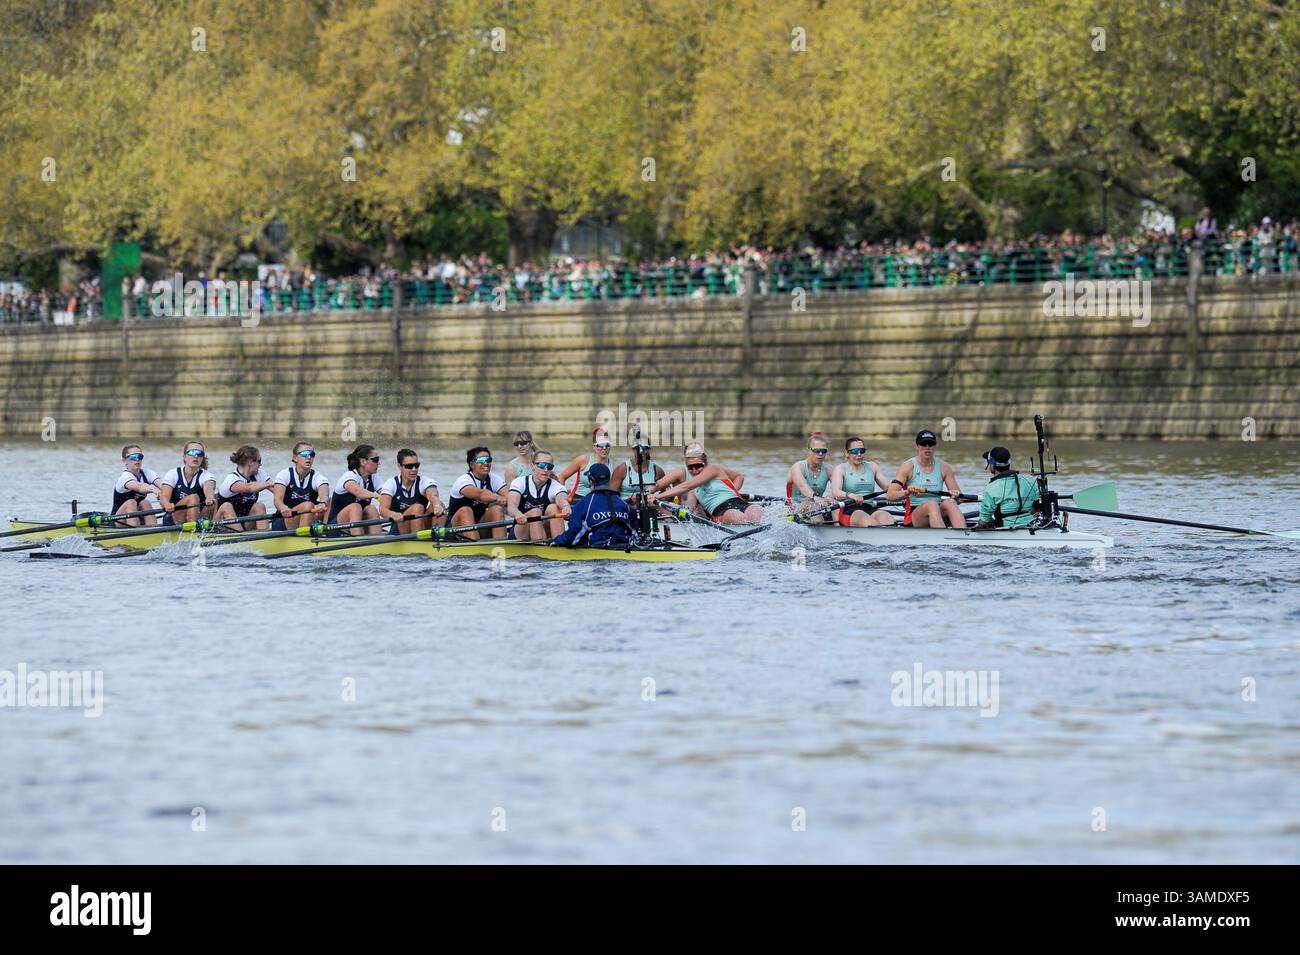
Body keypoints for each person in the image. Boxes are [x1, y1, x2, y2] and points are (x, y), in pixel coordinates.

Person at [648, 442, 764, 524]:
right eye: (690, 467)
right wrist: (683, 510)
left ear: (705, 463)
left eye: (698, 466)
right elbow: (690, 504)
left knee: (756, 512)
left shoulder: (714, 469)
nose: (695, 470)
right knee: (737, 517)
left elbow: (686, 485)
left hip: (740, 502)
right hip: (721, 512)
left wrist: (657, 496)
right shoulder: (693, 492)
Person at [886, 429, 966, 528]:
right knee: (931, 504)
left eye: (930, 444)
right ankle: (942, 539)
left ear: (935, 446)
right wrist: (907, 492)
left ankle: (964, 537)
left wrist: (956, 496)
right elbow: (890, 495)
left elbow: (960, 499)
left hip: (937, 510)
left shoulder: (944, 467)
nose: (927, 448)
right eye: (924, 444)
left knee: (950, 502)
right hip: (914, 516)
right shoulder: (908, 466)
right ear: (917, 446)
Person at [551, 463, 633, 547]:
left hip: (598, 548)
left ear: (590, 481)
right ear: (609, 480)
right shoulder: (623, 503)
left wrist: (557, 541)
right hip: (623, 545)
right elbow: (634, 529)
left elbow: (574, 532)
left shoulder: (584, 503)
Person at [445, 446, 509, 539]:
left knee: (497, 509)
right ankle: (475, 550)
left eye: (488, 459)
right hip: (455, 530)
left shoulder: (494, 479)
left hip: (479, 526)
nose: (486, 463)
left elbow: (509, 496)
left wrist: (511, 501)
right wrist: (497, 497)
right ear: (472, 464)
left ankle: (502, 546)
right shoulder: (463, 480)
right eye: (481, 460)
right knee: (466, 511)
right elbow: (480, 494)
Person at [830, 436, 896, 526]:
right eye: (855, 451)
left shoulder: (873, 466)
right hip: (850, 509)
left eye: (862, 450)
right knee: (870, 523)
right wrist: (851, 495)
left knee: (887, 519)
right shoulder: (841, 469)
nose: (859, 454)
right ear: (846, 453)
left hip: (870, 507)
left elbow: (887, 487)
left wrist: (902, 489)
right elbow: (835, 492)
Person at [507, 450, 570, 540]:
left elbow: (561, 498)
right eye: (541, 465)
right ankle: (540, 544)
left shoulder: (555, 485)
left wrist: (565, 507)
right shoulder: (519, 482)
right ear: (532, 466)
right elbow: (511, 506)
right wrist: (517, 514)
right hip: (521, 531)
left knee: (554, 508)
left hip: (542, 529)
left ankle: (559, 543)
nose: (545, 470)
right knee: (535, 512)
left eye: (549, 467)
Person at [377, 448, 444, 534]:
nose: (414, 469)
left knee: (439, 504)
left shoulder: (424, 481)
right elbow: (382, 509)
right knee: (417, 508)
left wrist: (437, 504)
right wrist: (392, 514)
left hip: (420, 523)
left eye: (416, 465)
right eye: (409, 466)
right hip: (399, 528)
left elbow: (432, 494)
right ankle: (419, 544)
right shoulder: (391, 484)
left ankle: (437, 538)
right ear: (399, 466)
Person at [974, 447, 1040, 529]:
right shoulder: (1028, 481)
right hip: (1030, 526)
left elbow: (984, 521)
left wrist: (972, 528)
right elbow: (1038, 505)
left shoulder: (991, 488)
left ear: (992, 465)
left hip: (1006, 530)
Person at [271, 442, 330, 530]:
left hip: (307, 515)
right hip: (285, 519)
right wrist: (283, 508)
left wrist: (323, 502)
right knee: (308, 505)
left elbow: (324, 492)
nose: (309, 457)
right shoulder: (284, 474)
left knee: (329, 501)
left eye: (312, 454)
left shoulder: (317, 476)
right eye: (305, 454)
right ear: (295, 458)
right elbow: (277, 500)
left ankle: (325, 528)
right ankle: (305, 539)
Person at [157, 440, 217, 526]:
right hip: (173, 518)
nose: (196, 456)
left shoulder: (207, 475)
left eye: (199, 453)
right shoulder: (173, 473)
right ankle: (194, 534)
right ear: (184, 457)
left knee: (216, 498)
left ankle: (199, 530)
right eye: (192, 452)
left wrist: (210, 497)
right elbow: (164, 496)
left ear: (202, 458)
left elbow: (209, 487)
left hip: (198, 516)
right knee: (193, 498)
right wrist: (166, 504)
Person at [328, 444, 383, 534]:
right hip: (336, 528)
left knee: (371, 508)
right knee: (355, 507)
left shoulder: (374, 478)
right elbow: (358, 492)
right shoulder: (349, 476)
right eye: (375, 460)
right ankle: (358, 539)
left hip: (356, 525)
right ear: (363, 461)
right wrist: (376, 495)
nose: (378, 463)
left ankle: (377, 538)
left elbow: (387, 495)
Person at [215, 445, 273, 530]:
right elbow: (249, 488)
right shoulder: (231, 479)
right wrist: (268, 484)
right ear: (250, 462)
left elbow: (277, 490)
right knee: (226, 506)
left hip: (245, 522)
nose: (261, 464)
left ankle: (265, 535)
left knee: (259, 506)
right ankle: (240, 536)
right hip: (222, 525)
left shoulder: (259, 473)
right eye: (259, 461)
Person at [787, 431, 836, 520]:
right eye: (817, 450)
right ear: (808, 451)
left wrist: (832, 497)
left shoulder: (829, 469)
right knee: (809, 502)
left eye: (823, 451)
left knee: (832, 499)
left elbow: (839, 488)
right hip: (795, 509)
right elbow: (802, 486)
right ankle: (819, 524)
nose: (820, 454)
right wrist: (815, 497)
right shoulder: (798, 467)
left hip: (817, 506)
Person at [557, 428, 615, 499]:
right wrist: (562, 496)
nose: (604, 448)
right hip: (579, 499)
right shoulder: (582, 460)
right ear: (594, 447)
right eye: (601, 445)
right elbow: (562, 477)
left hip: (601, 500)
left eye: (607, 445)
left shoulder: (615, 465)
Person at [112, 444, 160, 526]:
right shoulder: (125, 477)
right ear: (124, 460)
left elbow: (163, 485)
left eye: (140, 456)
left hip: (136, 515)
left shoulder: (147, 472)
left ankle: (152, 530)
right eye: (133, 457)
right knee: (131, 502)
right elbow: (140, 487)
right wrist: (154, 490)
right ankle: (135, 533)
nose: (137, 459)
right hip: (118, 520)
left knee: (145, 502)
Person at [611, 433, 665, 501]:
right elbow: (611, 497)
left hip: (649, 507)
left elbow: (668, 495)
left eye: (645, 448)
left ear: (649, 450)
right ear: (633, 450)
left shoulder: (657, 471)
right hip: (626, 507)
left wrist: (657, 498)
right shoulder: (621, 470)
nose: (642, 451)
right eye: (638, 448)